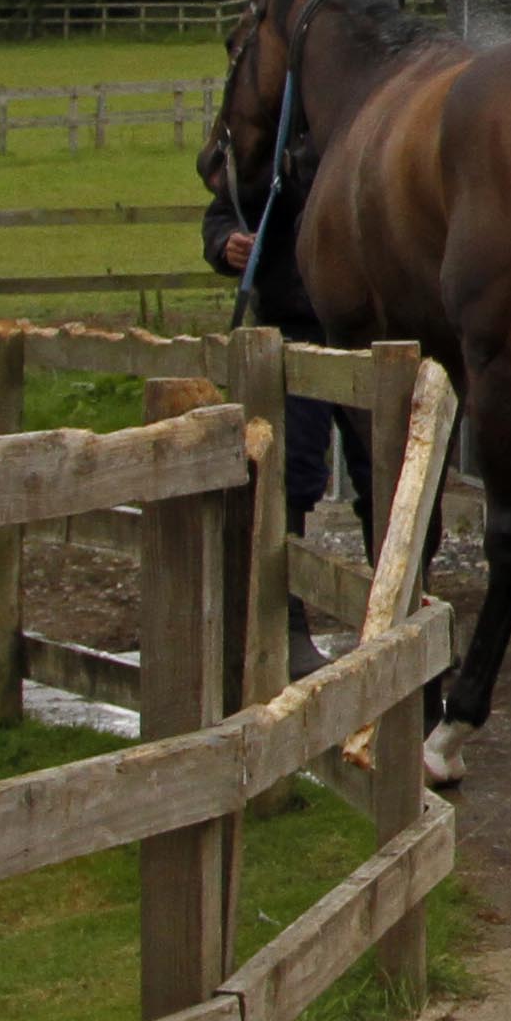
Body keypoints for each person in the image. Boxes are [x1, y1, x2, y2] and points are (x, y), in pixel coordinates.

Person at [205, 151, 372, 657]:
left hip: (367, 329)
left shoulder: (359, 131)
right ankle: (288, 625)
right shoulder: (275, 143)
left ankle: (394, 615)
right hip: (294, 326)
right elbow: (225, 208)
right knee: (290, 469)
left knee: (382, 471)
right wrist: (225, 241)